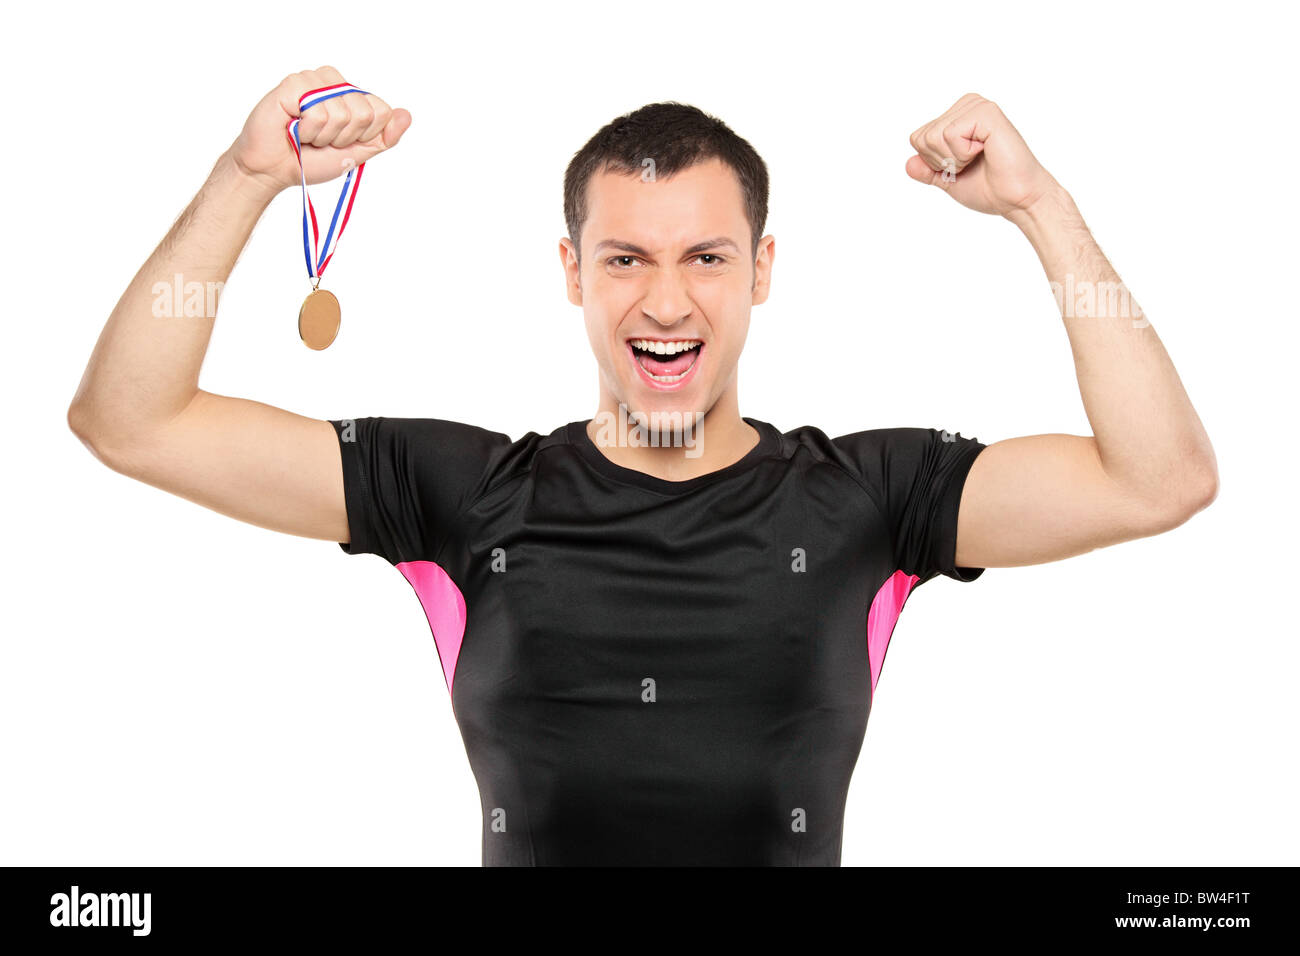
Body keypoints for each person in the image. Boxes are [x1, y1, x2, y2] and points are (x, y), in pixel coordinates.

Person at [67, 66, 1218, 866]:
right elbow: (132, 420)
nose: (665, 302)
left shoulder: (873, 497)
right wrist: (246, 175)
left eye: (705, 257)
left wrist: (1038, 204)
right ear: (571, 271)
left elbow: (1158, 477)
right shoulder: (464, 494)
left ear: (761, 270)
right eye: (625, 258)